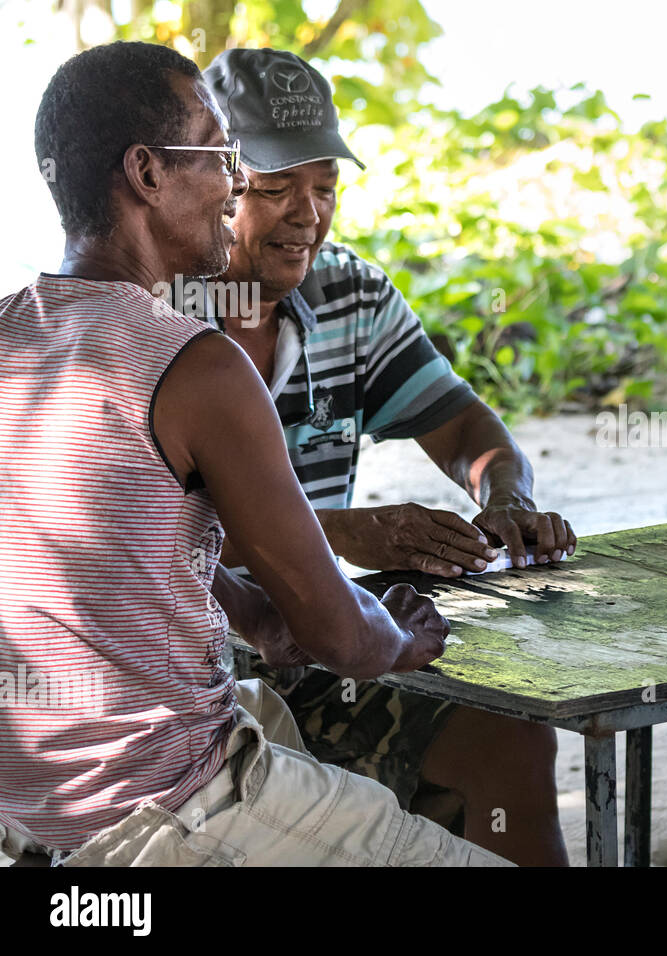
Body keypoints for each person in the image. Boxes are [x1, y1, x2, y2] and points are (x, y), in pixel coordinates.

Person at [0, 40, 505, 867]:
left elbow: (111, 546)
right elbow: (345, 639)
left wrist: (254, 611)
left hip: (33, 806)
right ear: (147, 173)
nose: (233, 184)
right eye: (218, 154)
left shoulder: (12, 333)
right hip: (168, 805)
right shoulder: (194, 363)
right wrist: (401, 636)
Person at [198, 48, 572, 866]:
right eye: (277, 187)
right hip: (200, 666)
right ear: (214, 181)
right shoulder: (157, 317)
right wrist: (337, 533)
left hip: (328, 640)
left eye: (325, 187)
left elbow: (469, 432)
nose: (308, 214)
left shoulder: (350, 296)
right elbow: (126, 529)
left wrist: (504, 494)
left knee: (511, 734)